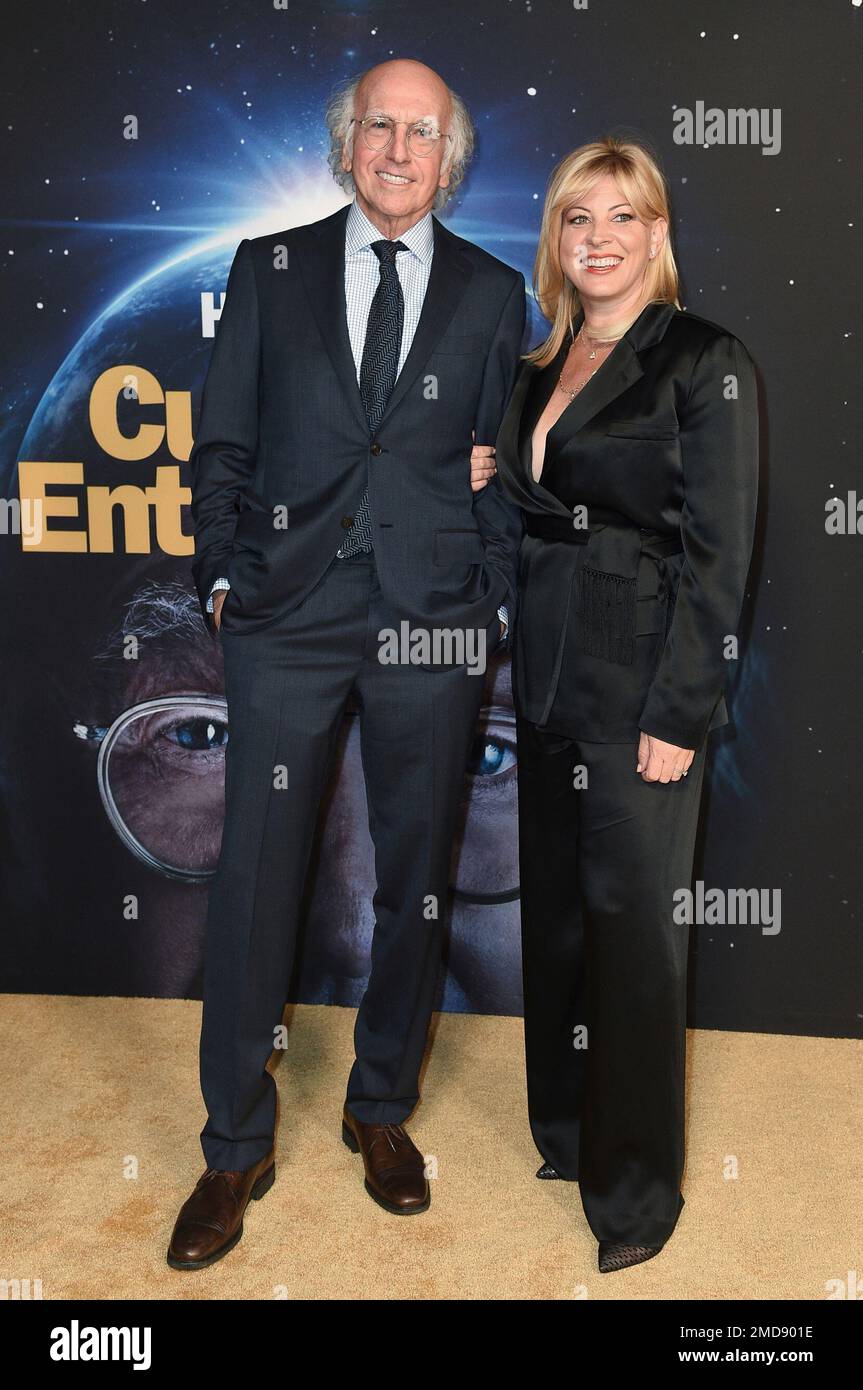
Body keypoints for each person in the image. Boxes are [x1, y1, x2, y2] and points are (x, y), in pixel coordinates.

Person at [168, 58, 525, 1270]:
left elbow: (504, 466)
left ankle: (380, 1111)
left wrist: (479, 589)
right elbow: (221, 440)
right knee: (257, 877)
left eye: (420, 131)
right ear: (347, 142)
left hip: (430, 623)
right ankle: (233, 1142)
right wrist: (222, 576)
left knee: (413, 877)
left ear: (446, 158)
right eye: (378, 124)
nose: (396, 148)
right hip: (288, 614)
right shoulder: (268, 271)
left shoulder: (492, 291)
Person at [474, 137, 759, 1272]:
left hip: (639, 688)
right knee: (557, 923)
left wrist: (677, 713)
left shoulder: (703, 359)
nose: (595, 236)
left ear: (655, 234)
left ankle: (634, 1197)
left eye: (619, 216)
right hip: (542, 683)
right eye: (574, 217)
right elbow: (539, 517)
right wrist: (495, 480)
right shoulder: (542, 362)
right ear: (555, 240)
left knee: (633, 942)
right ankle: (566, 1130)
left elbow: (720, 552)